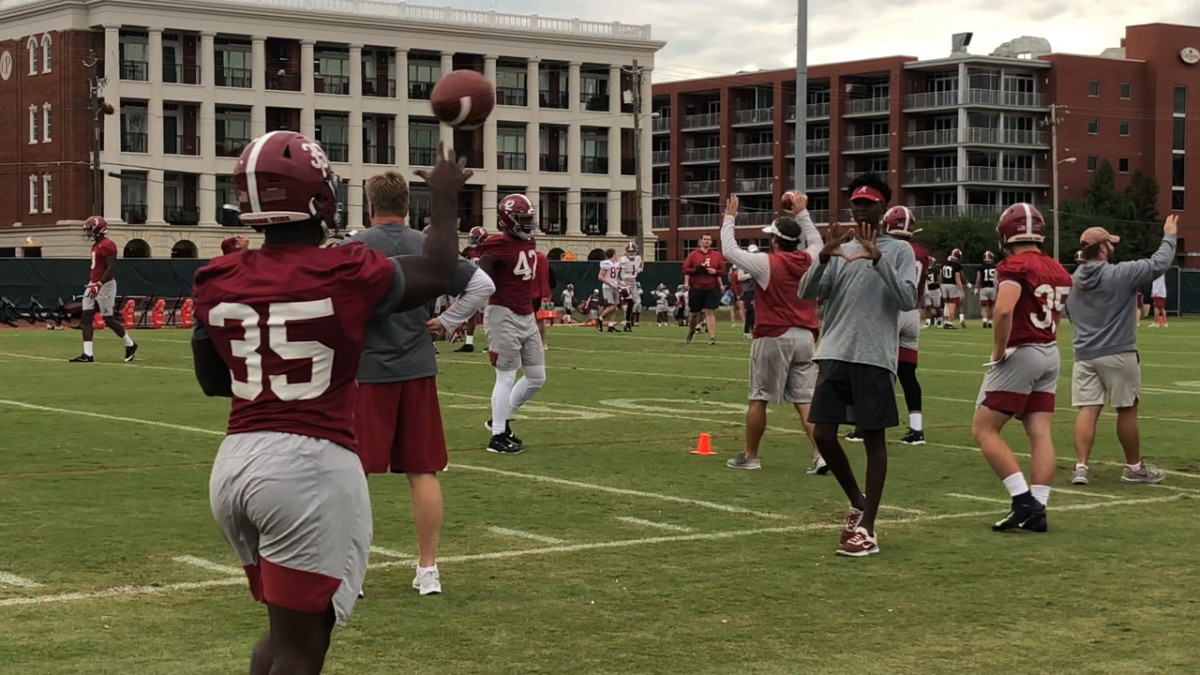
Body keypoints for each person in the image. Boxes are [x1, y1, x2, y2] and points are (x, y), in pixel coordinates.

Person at [192, 134, 467, 674]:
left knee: (285, 637)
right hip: (308, 465)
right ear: (321, 197)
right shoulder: (343, 269)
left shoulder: (216, 277)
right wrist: (444, 197)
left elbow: (212, 381)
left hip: (235, 463)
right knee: (301, 650)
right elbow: (439, 272)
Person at [342, 170, 495, 597]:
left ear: (370, 206)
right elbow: (484, 284)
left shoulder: (354, 246)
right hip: (416, 365)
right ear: (407, 206)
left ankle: (354, 572)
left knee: (354, 475)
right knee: (423, 471)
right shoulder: (429, 246)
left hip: (367, 370)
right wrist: (448, 321)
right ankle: (428, 569)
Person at [799, 174, 918, 557]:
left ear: (884, 208)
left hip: (873, 357)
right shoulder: (840, 248)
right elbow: (807, 292)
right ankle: (858, 502)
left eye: (869, 202)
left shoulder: (899, 252)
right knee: (822, 434)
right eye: (857, 201)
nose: (861, 207)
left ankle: (867, 528)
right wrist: (822, 257)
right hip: (833, 353)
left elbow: (905, 300)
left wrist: (878, 259)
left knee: (873, 439)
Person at [970, 203, 1072, 533]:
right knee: (1039, 431)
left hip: (1022, 351)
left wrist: (999, 350)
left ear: (1005, 234)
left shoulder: (1013, 266)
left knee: (984, 429)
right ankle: (1039, 507)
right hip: (1050, 351)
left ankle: (1022, 499)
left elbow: (1002, 312)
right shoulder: (1057, 268)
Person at [1066, 218, 1176, 486]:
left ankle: (1080, 467)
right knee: (1126, 409)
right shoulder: (1120, 273)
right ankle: (1134, 467)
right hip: (1118, 352)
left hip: (1084, 354)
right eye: (1110, 244)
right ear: (1103, 248)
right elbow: (1158, 264)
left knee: (1087, 410)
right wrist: (1170, 237)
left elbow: (1066, 312)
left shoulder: (1072, 281)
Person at [722, 194, 826, 474]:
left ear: (775, 241)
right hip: (806, 336)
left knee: (759, 397)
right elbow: (817, 242)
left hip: (774, 335)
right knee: (805, 401)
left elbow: (730, 251)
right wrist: (802, 213)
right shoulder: (809, 258)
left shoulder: (768, 263)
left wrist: (730, 217)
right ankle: (820, 454)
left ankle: (751, 455)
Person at [476, 194, 547, 454]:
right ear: (508, 220)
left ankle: (500, 419)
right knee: (506, 375)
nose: (528, 224)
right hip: (502, 314)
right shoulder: (495, 245)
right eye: (523, 219)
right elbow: (480, 281)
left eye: (529, 218)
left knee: (537, 377)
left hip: (525, 313)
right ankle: (497, 436)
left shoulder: (529, 241)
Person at [69, 217, 139, 363]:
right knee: (86, 317)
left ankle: (130, 344)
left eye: (89, 228)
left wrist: (100, 283)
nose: (87, 232)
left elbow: (111, 267)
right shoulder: (97, 245)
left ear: (97, 229)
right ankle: (87, 354)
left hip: (105, 285)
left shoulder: (108, 245)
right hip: (93, 283)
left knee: (108, 319)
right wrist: (94, 283)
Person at [683, 234, 727, 344]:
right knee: (694, 314)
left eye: (709, 240)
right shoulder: (693, 254)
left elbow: (723, 270)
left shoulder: (716, 255)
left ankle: (712, 337)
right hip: (697, 287)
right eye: (705, 239)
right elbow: (685, 269)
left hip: (711, 287)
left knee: (710, 311)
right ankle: (691, 331)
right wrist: (696, 271)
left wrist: (715, 272)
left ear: (711, 242)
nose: (707, 241)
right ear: (700, 241)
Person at [454, 225, 489, 352]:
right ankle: (468, 343)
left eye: (474, 238)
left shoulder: (488, 252)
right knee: (470, 315)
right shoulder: (470, 252)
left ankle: (491, 343)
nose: (472, 241)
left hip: (485, 287)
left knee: (488, 317)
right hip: (473, 286)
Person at [940, 248, 966, 329]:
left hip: (944, 284)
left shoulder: (944, 263)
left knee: (946, 304)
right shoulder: (956, 265)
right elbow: (957, 278)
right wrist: (961, 290)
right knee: (952, 304)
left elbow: (941, 276)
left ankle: (945, 321)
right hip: (952, 285)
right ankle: (949, 322)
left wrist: (941, 285)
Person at [619, 242, 644, 330]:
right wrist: (621, 281)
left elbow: (640, 267)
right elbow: (618, 271)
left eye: (633, 251)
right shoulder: (622, 259)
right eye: (629, 251)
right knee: (627, 302)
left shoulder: (638, 258)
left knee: (635, 303)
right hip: (625, 283)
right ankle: (626, 322)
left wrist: (636, 273)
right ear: (626, 251)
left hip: (633, 282)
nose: (631, 252)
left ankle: (628, 322)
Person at [598, 248, 622, 333]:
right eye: (616, 254)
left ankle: (611, 325)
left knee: (615, 307)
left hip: (615, 286)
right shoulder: (606, 263)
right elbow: (600, 276)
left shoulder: (615, 264)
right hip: (608, 287)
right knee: (611, 306)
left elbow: (616, 276)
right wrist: (609, 283)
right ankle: (600, 318)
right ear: (613, 254)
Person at [739, 245, 759, 340]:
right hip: (748, 290)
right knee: (750, 309)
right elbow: (740, 277)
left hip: (758, 290)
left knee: (757, 311)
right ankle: (748, 330)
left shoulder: (759, 263)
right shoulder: (743, 264)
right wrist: (750, 275)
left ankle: (754, 330)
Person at [975, 251, 997, 328]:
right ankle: (990, 321)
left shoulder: (981, 267)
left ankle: (984, 319)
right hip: (993, 288)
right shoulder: (996, 267)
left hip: (983, 288)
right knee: (992, 305)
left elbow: (978, 279)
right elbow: (997, 278)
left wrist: (976, 289)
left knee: (983, 306)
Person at [922, 256, 942, 328]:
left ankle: (939, 320)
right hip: (927, 290)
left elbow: (939, 281)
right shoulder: (924, 270)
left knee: (937, 306)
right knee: (928, 306)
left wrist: (931, 283)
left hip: (935, 290)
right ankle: (928, 322)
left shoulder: (936, 270)